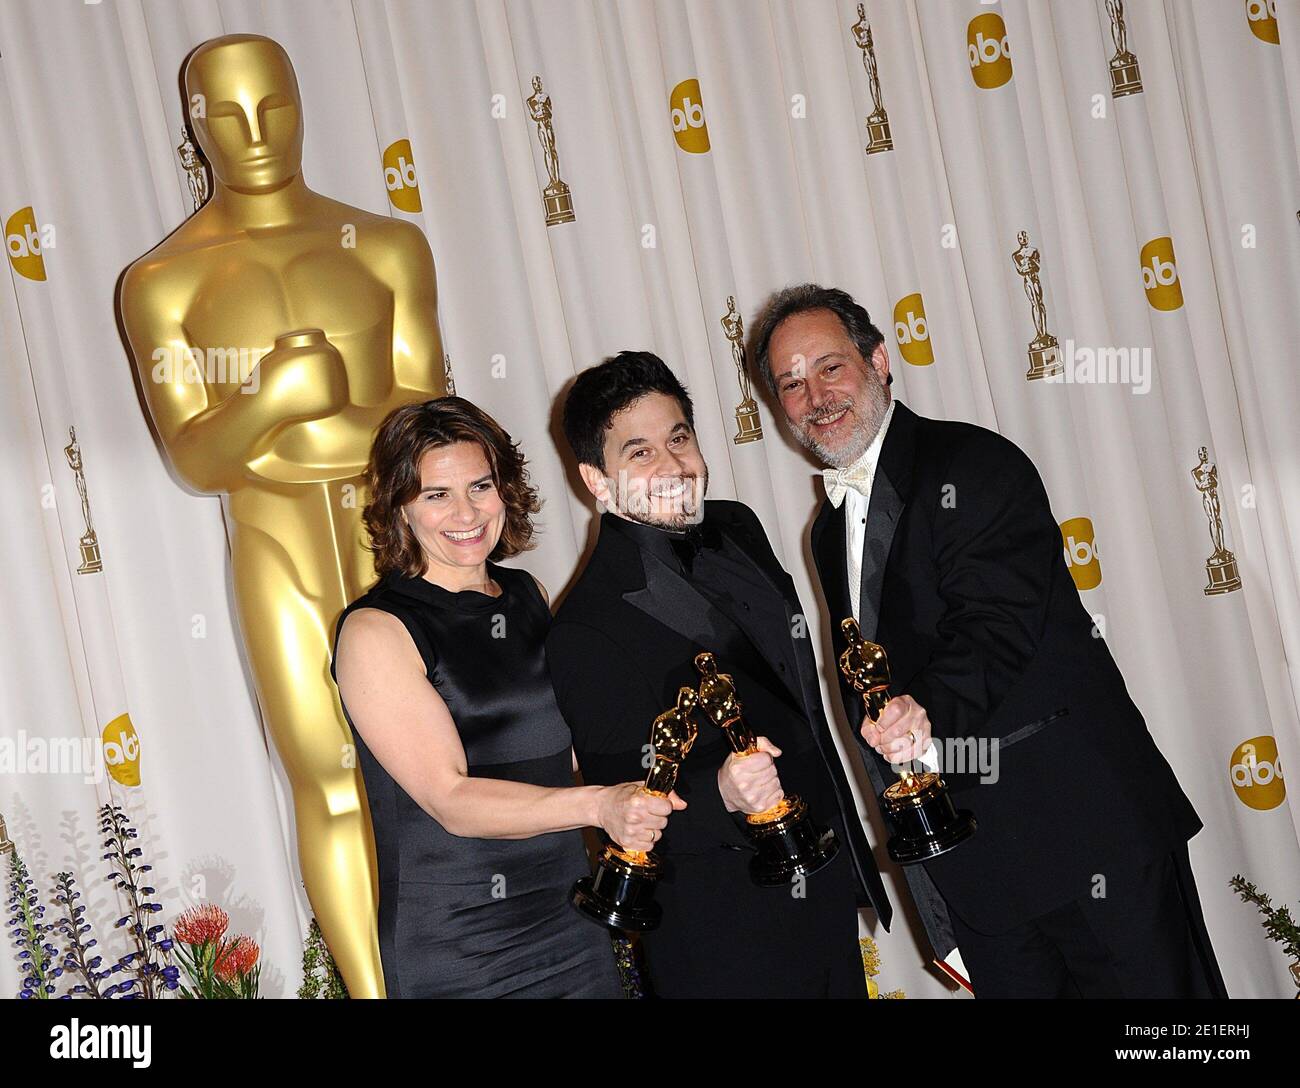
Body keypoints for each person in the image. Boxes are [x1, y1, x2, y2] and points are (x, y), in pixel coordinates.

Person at [749, 283, 1229, 999]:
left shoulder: (972, 464)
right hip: (974, 868)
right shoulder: (824, 532)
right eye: (789, 384)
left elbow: (997, 623)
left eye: (829, 367)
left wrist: (926, 710)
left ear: (879, 360)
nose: (814, 395)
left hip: (1081, 828)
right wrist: (931, 892)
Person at [546, 351, 899, 998]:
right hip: (721, 936)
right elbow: (620, 813)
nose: (675, 466)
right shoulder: (583, 630)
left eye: (679, 438)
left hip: (819, 876)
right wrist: (724, 794)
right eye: (640, 453)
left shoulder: (737, 525)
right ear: (597, 481)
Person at [331, 396, 676, 998]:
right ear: (400, 508)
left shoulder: (527, 594)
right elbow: (452, 799)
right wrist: (600, 807)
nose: (465, 511)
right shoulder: (375, 631)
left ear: (504, 489)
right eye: (436, 494)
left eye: (480, 485)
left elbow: (566, 748)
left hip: (571, 917)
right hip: (461, 943)